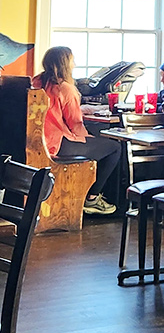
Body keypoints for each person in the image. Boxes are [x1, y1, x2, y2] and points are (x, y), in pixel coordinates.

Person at [33, 46, 122, 214]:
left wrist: (82, 109)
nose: (75, 64)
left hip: (37, 142)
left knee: (96, 143)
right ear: (65, 64)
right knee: (114, 148)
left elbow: (51, 110)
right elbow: (75, 125)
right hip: (55, 144)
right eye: (72, 60)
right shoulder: (65, 88)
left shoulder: (36, 82)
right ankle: (92, 198)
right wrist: (89, 138)